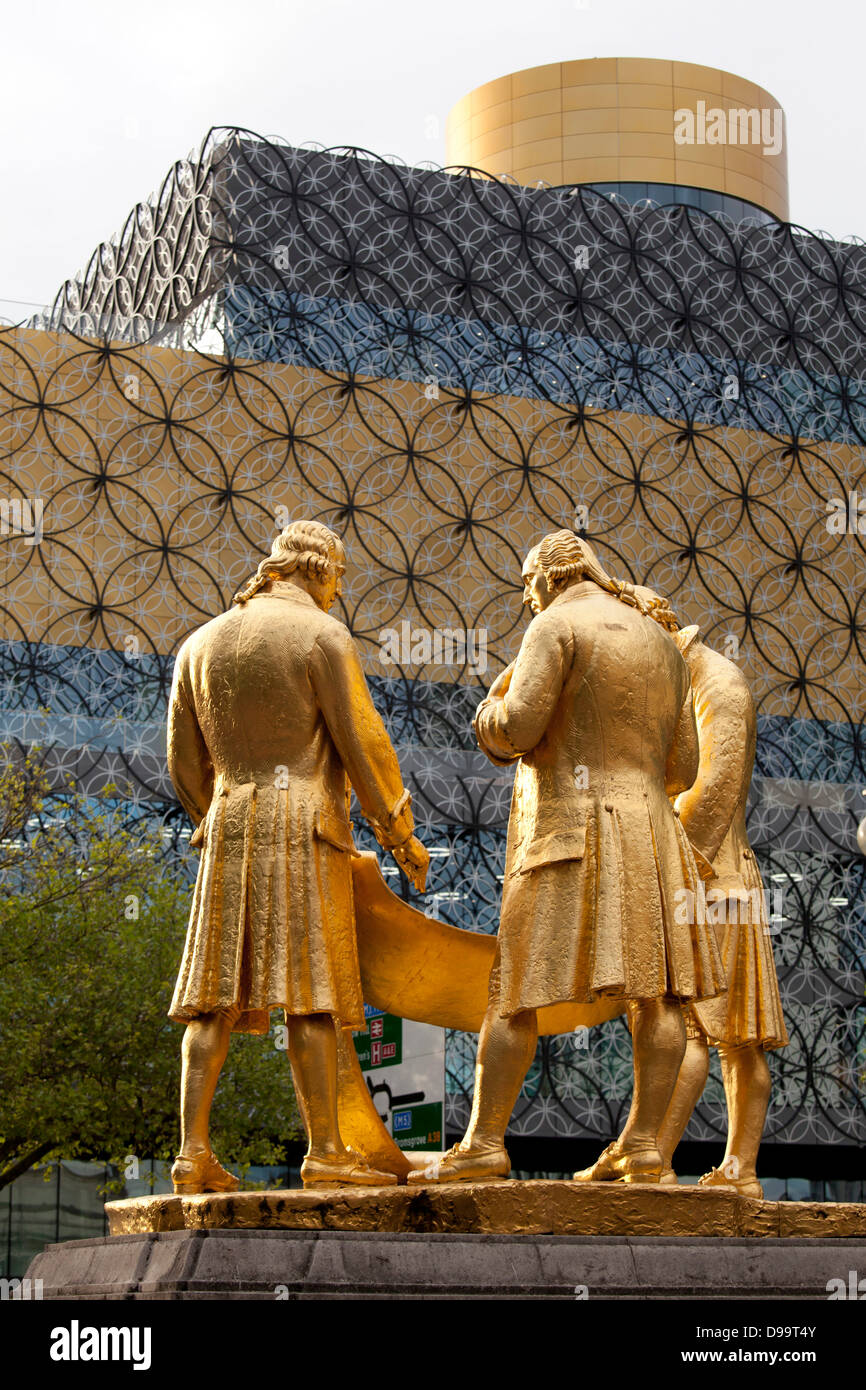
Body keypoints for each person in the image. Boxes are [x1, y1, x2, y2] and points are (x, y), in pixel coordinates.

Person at [411, 530, 725, 1185]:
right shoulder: (661, 642)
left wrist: (488, 714)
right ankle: (643, 1145)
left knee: (514, 992)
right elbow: (685, 766)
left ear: (547, 578)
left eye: (529, 591)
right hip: (650, 835)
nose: (530, 603)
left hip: (565, 831)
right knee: (658, 994)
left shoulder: (554, 626)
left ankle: (485, 1144)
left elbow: (519, 727)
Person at [166, 520, 429, 1192]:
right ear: (315, 567)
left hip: (230, 825)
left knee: (209, 1000)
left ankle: (192, 1153)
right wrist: (398, 836)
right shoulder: (321, 636)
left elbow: (182, 767)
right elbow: (360, 747)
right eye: (340, 575)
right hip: (304, 824)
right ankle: (327, 1152)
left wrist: (217, 818)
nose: (340, 589)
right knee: (312, 998)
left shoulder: (198, 644)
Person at [652, 622, 789, 1197]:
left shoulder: (715, 681)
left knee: (696, 1030)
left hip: (711, 881)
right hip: (721, 880)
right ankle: (737, 1169)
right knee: (736, 1035)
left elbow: (714, 792)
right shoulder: (691, 676)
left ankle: (653, 1160)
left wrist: (664, 863)